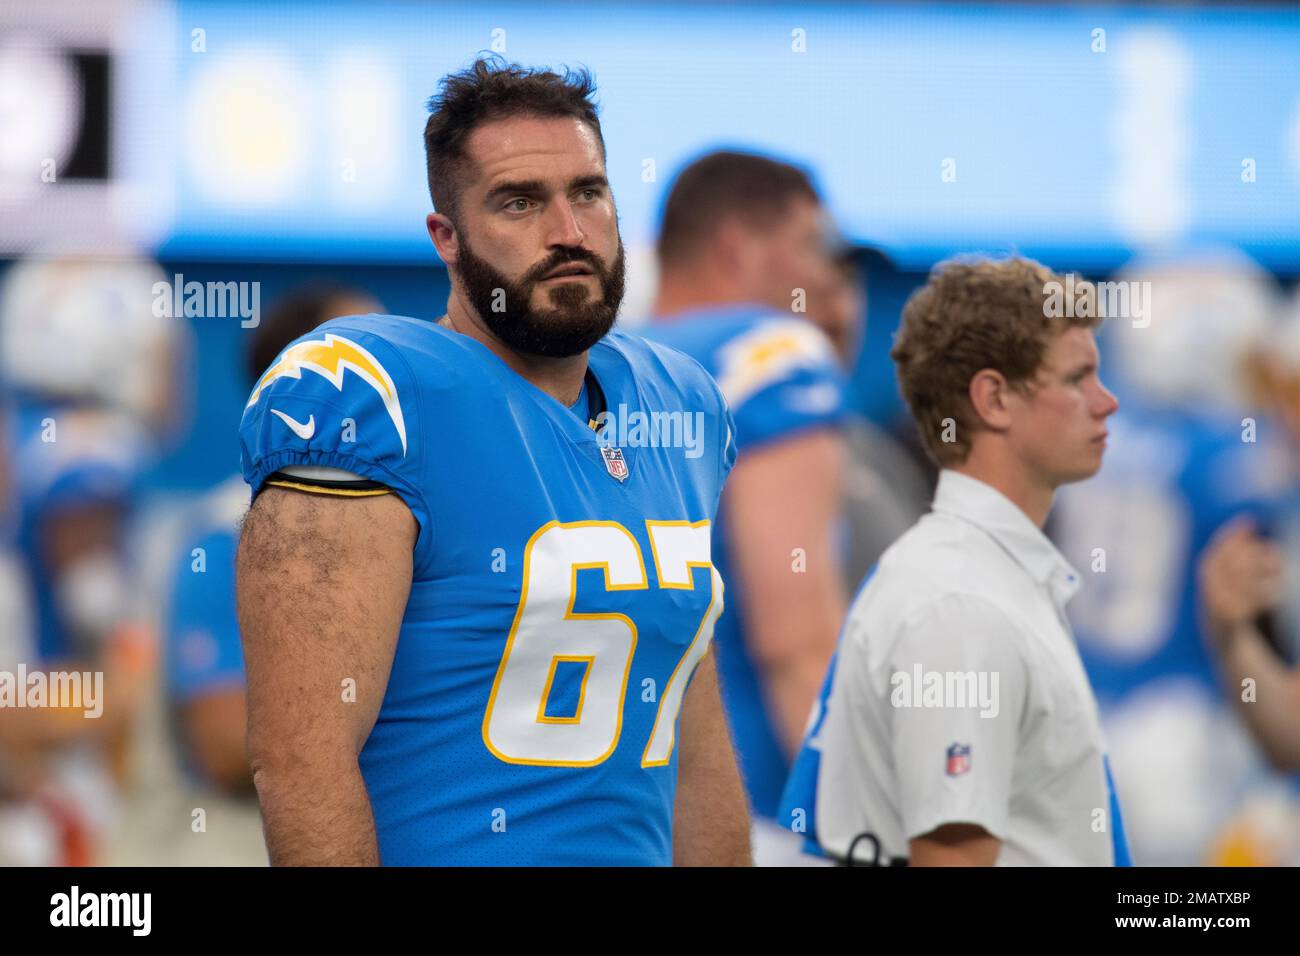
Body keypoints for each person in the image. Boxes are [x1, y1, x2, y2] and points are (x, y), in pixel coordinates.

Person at [236, 58, 749, 866]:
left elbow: (698, 741)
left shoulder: (678, 403)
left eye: (588, 192)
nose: (569, 232)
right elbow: (301, 762)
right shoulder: (372, 396)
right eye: (519, 202)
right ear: (447, 237)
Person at [783, 255, 1129, 865]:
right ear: (994, 399)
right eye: (1078, 379)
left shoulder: (978, 580)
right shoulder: (960, 605)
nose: (1107, 403)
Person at [644, 152, 849, 862]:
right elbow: (797, 644)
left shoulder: (594, 365)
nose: (831, 276)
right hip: (750, 816)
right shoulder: (769, 354)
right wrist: (868, 832)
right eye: (816, 247)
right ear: (740, 247)